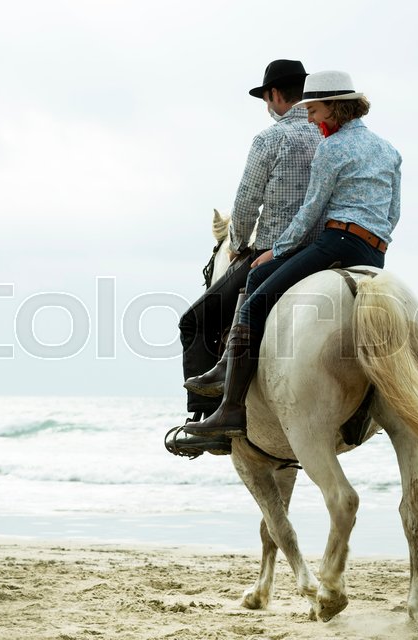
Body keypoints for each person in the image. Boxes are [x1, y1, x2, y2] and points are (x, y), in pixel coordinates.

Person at [183, 70, 402, 439]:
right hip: (375, 252)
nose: (312, 119)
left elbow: (312, 209)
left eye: (315, 110)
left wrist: (276, 252)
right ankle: (367, 408)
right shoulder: (389, 149)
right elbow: (393, 212)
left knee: (254, 291)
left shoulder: (329, 148)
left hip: (336, 241)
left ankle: (230, 408)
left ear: (334, 108)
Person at [171, 59, 323, 456]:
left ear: (274, 95)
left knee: (194, 322)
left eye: (266, 98)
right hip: (331, 249)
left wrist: (237, 242)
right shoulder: (329, 134)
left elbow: (245, 205)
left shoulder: (269, 140)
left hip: (273, 250)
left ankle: (208, 421)